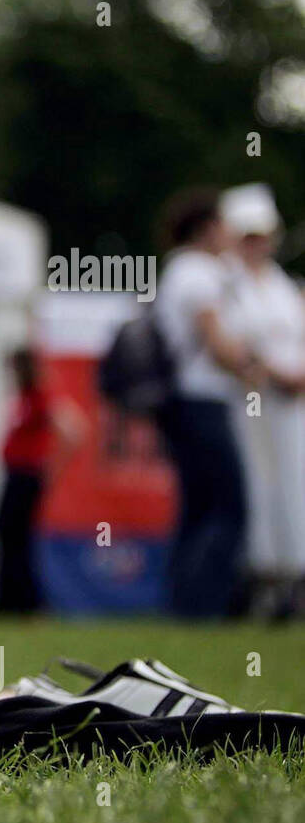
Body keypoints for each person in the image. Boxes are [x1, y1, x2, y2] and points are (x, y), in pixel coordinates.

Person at [152, 188, 256, 618]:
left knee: (196, 507)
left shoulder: (179, 270)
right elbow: (218, 345)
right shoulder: (198, 273)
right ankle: (205, 604)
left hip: (183, 403)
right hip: (202, 401)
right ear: (208, 228)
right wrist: (253, 365)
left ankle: (182, 603)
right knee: (229, 505)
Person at [222, 184, 305, 619]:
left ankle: (292, 578)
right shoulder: (227, 284)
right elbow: (235, 345)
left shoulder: (280, 285)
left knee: (293, 484)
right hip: (252, 403)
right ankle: (261, 579)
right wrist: (276, 374)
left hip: (290, 406)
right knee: (258, 484)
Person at [0, 346, 85, 613]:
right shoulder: (23, 397)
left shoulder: (40, 397)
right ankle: (11, 600)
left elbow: (73, 430)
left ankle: (24, 601)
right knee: (8, 534)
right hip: (16, 475)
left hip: (26, 476)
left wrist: (52, 467)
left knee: (16, 537)